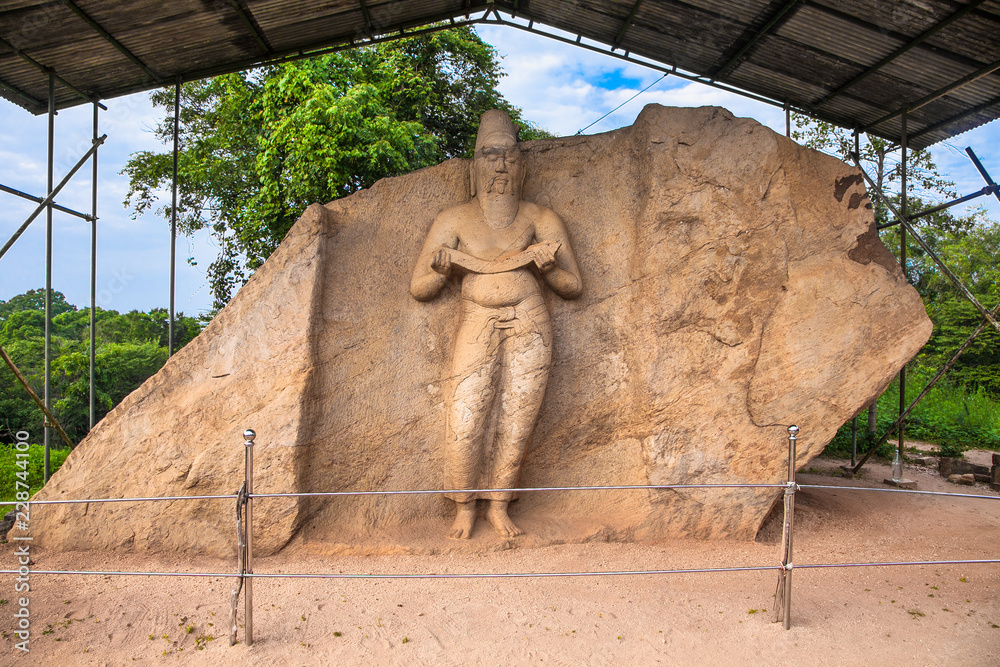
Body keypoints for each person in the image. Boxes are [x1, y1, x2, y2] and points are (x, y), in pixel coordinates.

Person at [410, 110, 582, 539]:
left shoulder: (540, 218)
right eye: (489, 155)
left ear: (522, 167)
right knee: (466, 414)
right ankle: (464, 506)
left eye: (509, 156)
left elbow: (573, 286)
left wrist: (547, 268)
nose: (500, 165)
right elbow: (419, 288)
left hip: (530, 321)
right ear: (474, 168)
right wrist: (441, 271)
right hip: (477, 319)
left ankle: (500, 504)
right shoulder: (453, 219)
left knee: (518, 416)